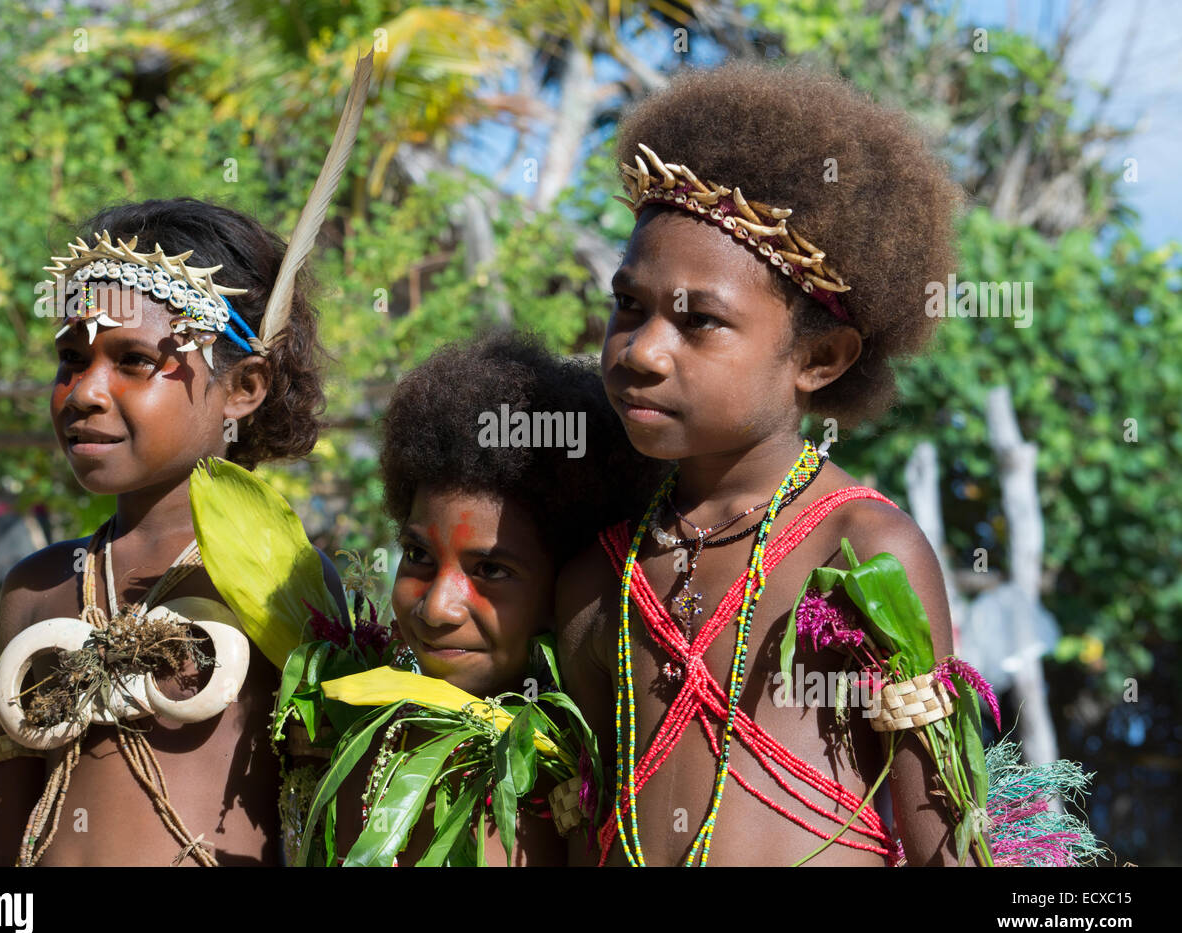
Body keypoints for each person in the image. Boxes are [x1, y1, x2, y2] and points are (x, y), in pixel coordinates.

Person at [556, 62, 967, 866]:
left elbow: (946, 843)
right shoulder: (595, 574)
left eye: (699, 321)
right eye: (628, 306)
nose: (641, 351)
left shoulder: (863, 555)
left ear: (819, 358)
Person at [0, 198, 346, 866]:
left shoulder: (286, 583)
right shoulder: (36, 587)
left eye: (134, 360)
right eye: (71, 360)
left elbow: (323, 816)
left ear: (244, 388)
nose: (85, 391)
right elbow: (3, 823)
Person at [322, 330, 665, 865]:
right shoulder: (344, 735)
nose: (437, 609)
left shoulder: (587, 792)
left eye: (490, 570)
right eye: (417, 556)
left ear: (569, 588)